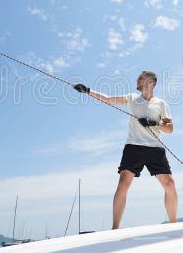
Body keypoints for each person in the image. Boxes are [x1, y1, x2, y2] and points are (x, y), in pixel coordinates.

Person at [73, 71, 176, 229]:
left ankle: (173, 225)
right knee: (123, 184)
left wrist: (153, 123)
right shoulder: (132, 98)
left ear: (150, 82)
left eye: (140, 78)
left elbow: (169, 129)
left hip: (155, 148)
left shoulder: (161, 104)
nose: (137, 79)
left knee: (169, 184)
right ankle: (115, 228)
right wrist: (87, 90)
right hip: (133, 147)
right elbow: (108, 99)